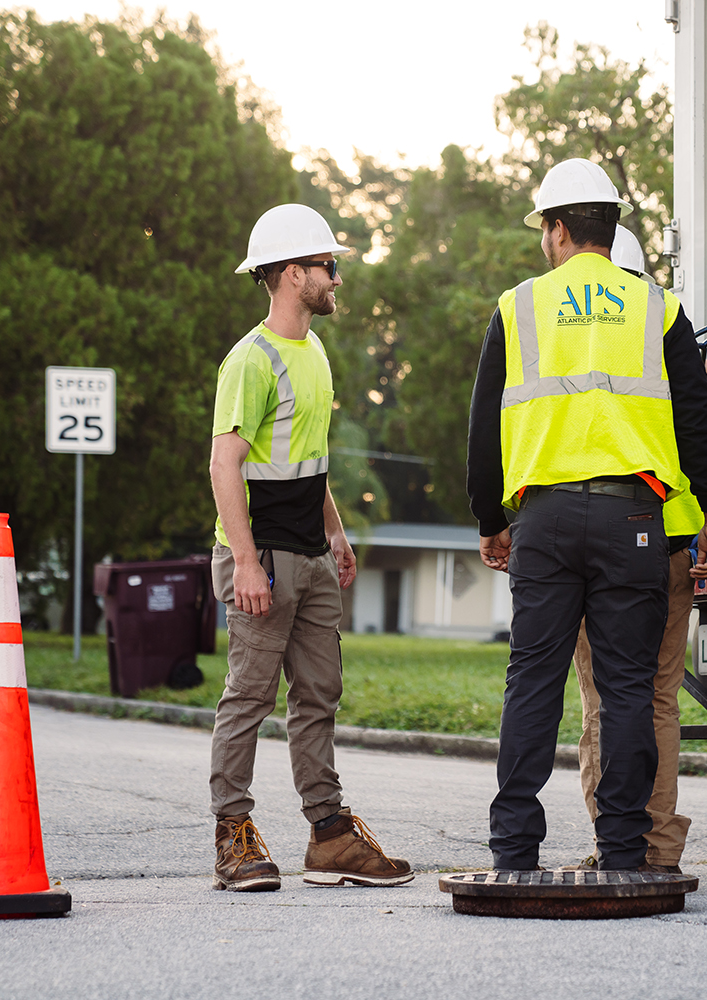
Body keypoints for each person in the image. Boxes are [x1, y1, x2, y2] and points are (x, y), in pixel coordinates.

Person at [466, 160, 707, 872]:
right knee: (628, 689)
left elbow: (484, 423)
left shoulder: (517, 306)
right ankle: (622, 848)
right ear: (611, 229)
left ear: (556, 230)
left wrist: (491, 517)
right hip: (635, 523)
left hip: (544, 523)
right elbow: (701, 417)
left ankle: (514, 849)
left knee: (533, 684)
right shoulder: (658, 308)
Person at [207, 203, 412, 891]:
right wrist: (242, 562)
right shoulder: (251, 359)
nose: (337, 278)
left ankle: (329, 837)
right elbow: (224, 464)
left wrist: (336, 531)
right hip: (260, 558)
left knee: (319, 695)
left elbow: (308, 459)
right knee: (249, 697)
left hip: (311, 555)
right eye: (329, 266)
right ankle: (233, 837)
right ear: (294, 274)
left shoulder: (315, 352)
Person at [568, 226, 707, 873]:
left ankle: (612, 843)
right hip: (670, 543)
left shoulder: (579, 343)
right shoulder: (665, 327)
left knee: (603, 700)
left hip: (604, 540)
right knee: (659, 698)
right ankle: (659, 848)